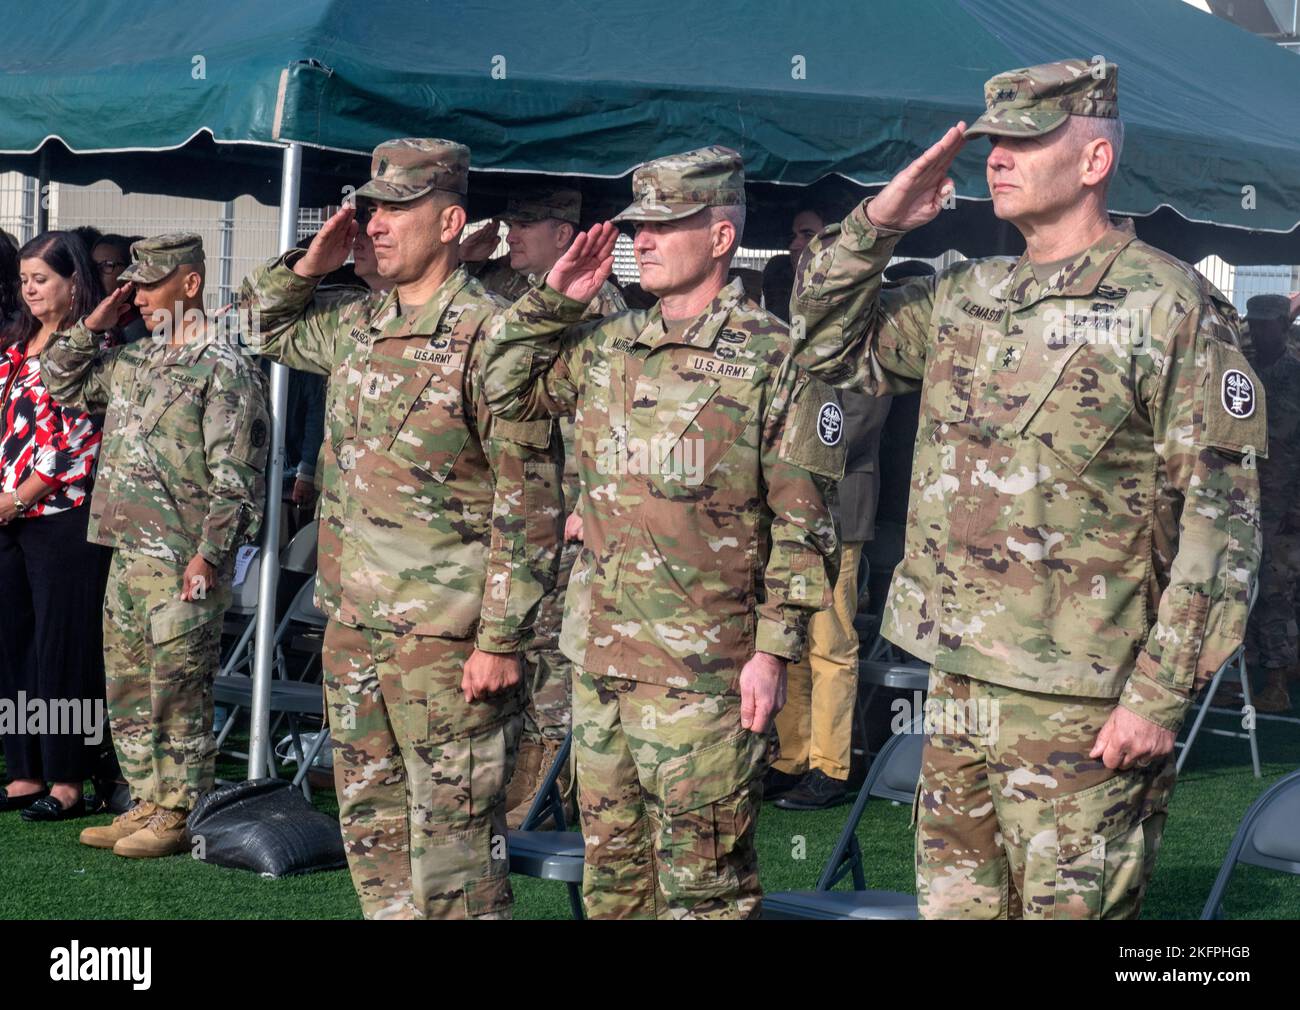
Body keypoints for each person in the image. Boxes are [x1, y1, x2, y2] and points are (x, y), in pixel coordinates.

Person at [792, 59, 1263, 919]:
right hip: (959, 681)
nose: (997, 157)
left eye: (1025, 140)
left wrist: (1158, 698)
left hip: (1084, 698)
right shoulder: (967, 295)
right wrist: (878, 222)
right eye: (994, 141)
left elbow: (1221, 525)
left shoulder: (1170, 307)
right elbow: (823, 345)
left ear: (1093, 162)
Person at [483, 146, 844, 919]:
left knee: (703, 889)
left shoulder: (774, 357)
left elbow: (804, 524)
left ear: (719, 237)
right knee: (614, 882)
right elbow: (501, 389)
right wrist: (552, 301)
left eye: (665, 225)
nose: (640, 240)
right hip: (601, 654)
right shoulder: (610, 344)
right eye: (638, 225)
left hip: (705, 672)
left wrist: (775, 653)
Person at [238, 138, 563, 920]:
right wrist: (309, 264)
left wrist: (502, 639)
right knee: (373, 828)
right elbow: (257, 325)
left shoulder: (496, 334)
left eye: (397, 210)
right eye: (371, 209)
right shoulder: (358, 322)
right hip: (353, 623)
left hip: (448, 638)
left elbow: (531, 503)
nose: (375, 225)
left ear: (450, 221)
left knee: (454, 843)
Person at [42, 233, 270, 857]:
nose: (136, 295)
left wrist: (210, 555)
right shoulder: (136, 361)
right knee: (130, 686)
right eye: (132, 284)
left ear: (190, 284)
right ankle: (146, 795)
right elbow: (61, 379)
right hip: (126, 552)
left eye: (149, 283)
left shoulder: (224, 366)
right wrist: (94, 319)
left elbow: (238, 478)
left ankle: (180, 806)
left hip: (182, 558)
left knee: (177, 687)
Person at [463, 187, 629, 824]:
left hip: (562, 503)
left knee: (550, 650)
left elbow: (611, 412)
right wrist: (472, 261)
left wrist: (589, 500)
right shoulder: (516, 291)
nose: (512, 234)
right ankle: (521, 777)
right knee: (522, 640)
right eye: (509, 223)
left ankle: (544, 788)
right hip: (520, 503)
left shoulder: (597, 301)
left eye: (525, 223)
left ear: (566, 235)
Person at [0, 232, 113, 821]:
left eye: (41, 279)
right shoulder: (20, 344)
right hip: (10, 514)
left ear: (75, 283)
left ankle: (69, 779)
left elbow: (73, 443)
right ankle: (26, 770)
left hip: (61, 516)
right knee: (13, 644)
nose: (30, 289)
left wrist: (15, 500)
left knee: (61, 648)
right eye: (24, 280)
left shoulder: (90, 347)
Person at [769, 388, 891, 809]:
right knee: (792, 639)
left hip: (838, 510)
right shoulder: (795, 340)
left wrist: (786, 453)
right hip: (789, 514)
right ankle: (791, 759)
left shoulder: (866, 350)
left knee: (831, 642)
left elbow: (853, 424)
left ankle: (830, 768)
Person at [1243, 292, 1300, 712]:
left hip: (1284, 507)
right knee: (1239, 585)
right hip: (1242, 497)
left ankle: (1277, 679)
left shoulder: (1295, 376)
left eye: (1267, 324)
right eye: (1254, 323)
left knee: (1276, 588)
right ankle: (1240, 676)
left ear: (1285, 326)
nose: (1260, 331)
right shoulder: (1241, 370)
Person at [90, 235, 149, 344]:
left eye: (106, 265)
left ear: (129, 270)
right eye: (92, 266)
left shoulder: (137, 327)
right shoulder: (84, 316)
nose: (96, 273)